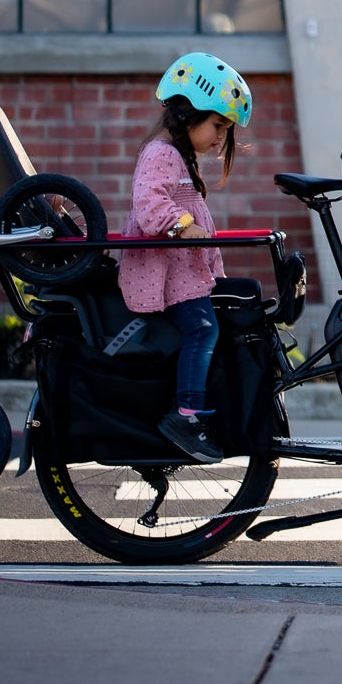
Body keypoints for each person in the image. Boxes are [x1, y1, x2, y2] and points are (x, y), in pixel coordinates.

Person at [120, 52, 254, 465]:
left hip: (183, 275)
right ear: (187, 111)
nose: (219, 138)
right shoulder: (161, 153)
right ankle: (187, 414)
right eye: (217, 125)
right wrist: (182, 226)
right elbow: (147, 202)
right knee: (201, 330)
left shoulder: (177, 155)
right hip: (169, 278)